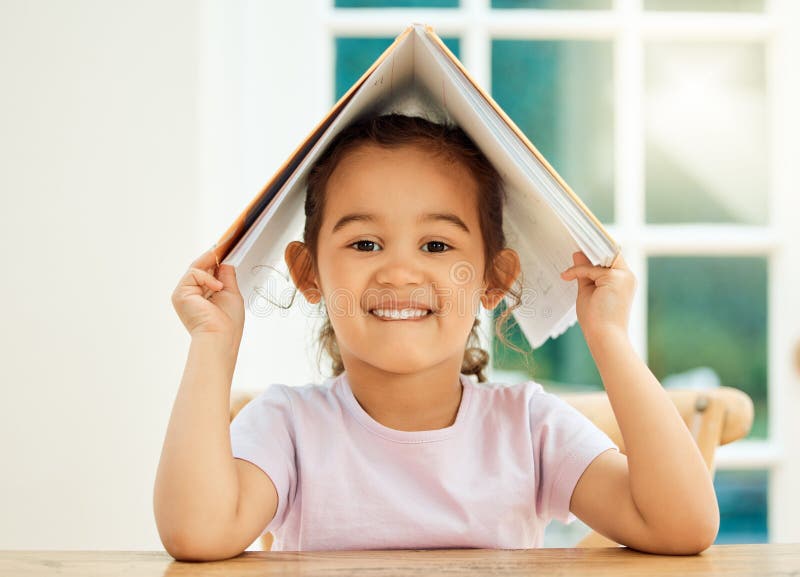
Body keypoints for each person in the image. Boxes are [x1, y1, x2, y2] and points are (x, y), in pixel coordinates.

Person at [154, 114, 719, 561]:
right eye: (365, 244)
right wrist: (212, 342)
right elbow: (197, 534)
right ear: (309, 274)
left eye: (437, 246)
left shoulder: (528, 427)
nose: (400, 273)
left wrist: (609, 339)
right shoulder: (288, 426)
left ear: (494, 278)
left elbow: (682, 524)